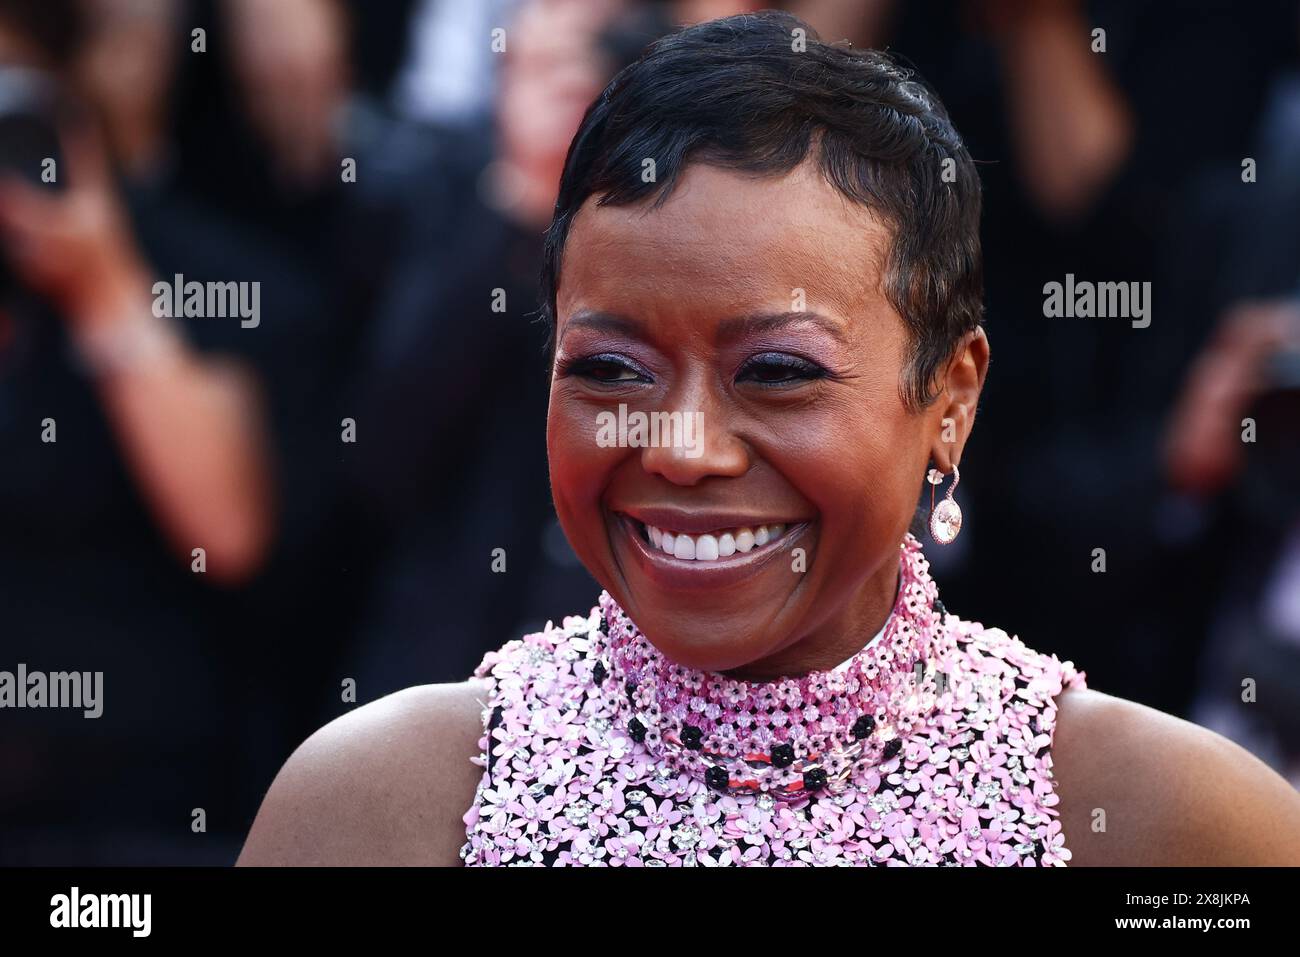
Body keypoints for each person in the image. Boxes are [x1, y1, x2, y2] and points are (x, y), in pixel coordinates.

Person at [237, 11, 1300, 866]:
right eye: (610, 369)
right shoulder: (379, 808)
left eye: (778, 373)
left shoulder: (1158, 821)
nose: (684, 447)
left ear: (951, 397)